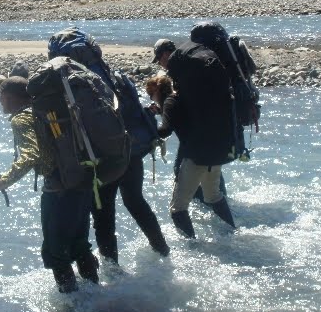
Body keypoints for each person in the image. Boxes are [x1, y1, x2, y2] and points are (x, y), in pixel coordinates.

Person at [47, 28, 170, 262]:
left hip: (102, 160)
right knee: (136, 202)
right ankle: (163, 252)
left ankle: (113, 271)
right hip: (131, 151)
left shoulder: (71, 84)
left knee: (104, 214)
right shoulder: (112, 76)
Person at [0, 76, 99, 293]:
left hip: (58, 192)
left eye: (1, 95)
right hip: (81, 182)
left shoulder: (21, 119)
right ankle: (95, 296)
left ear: (10, 97)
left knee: (55, 253)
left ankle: (73, 311)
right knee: (80, 245)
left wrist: (3, 182)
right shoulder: (46, 111)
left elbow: (31, 154)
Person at [149, 39, 235, 238]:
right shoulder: (188, 93)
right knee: (214, 196)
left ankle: (193, 247)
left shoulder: (171, 100)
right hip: (216, 150)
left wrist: (148, 128)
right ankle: (233, 231)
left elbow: (165, 131)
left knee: (177, 209)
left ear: (156, 92)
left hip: (195, 156)